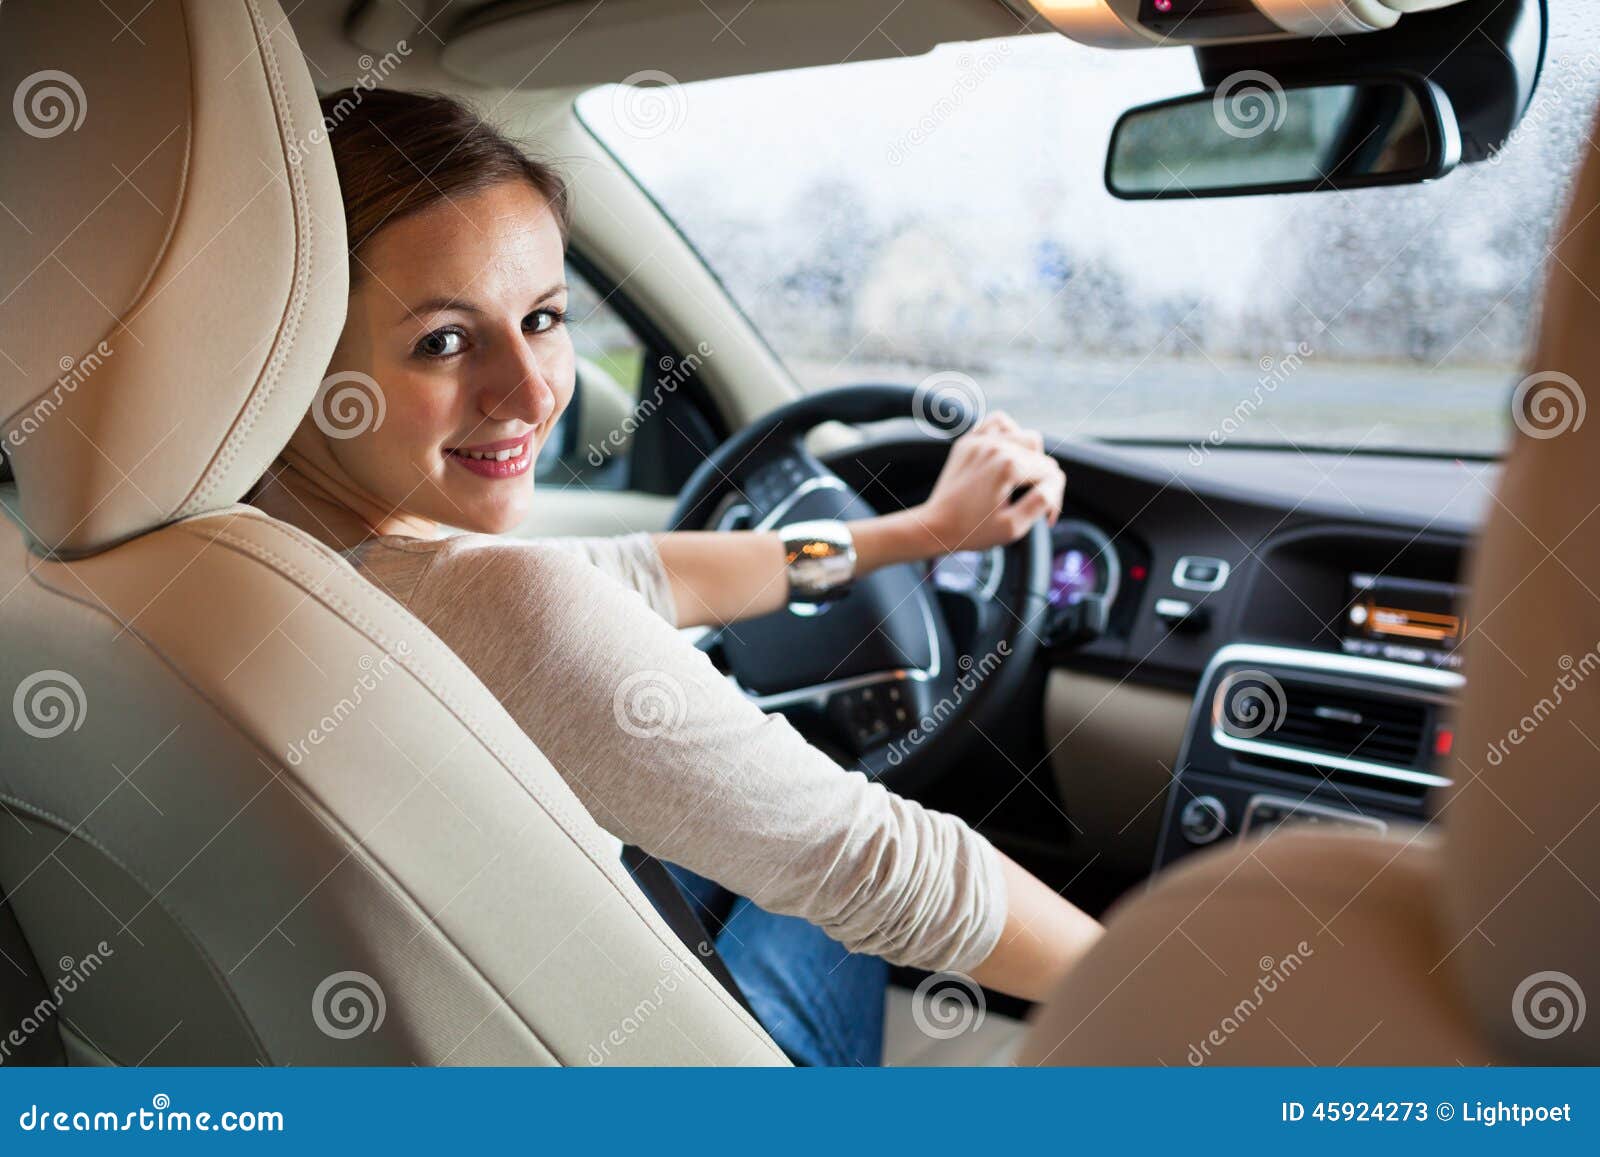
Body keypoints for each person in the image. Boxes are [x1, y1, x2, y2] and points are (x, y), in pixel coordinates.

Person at [251, 87, 1102, 1065]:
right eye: (443, 340)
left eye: (542, 318)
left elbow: (637, 573)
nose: (530, 394)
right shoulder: (493, 605)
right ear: (291, 346)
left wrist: (916, 532)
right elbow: (877, 864)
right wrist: (1187, 985)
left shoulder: (235, 549)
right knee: (817, 880)